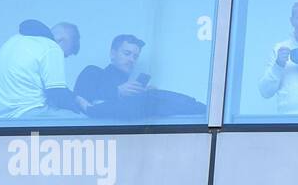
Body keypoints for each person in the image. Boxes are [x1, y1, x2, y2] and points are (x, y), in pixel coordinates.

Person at [74, 34, 206, 120]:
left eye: (135, 56)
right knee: (150, 97)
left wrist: (142, 93)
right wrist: (118, 91)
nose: (131, 59)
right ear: (112, 53)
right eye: (127, 53)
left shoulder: (134, 88)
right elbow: (78, 97)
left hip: (125, 132)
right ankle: (202, 108)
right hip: (100, 132)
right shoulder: (93, 72)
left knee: (152, 95)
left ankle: (201, 108)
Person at [0, 20, 90, 119]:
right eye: (64, 55)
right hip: (25, 113)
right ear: (61, 40)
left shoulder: (16, 39)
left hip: (0, 115)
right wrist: (83, 106)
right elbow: (57, 95)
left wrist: (73, 97)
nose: (62, 58)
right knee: (84, 120)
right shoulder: (52, 47)